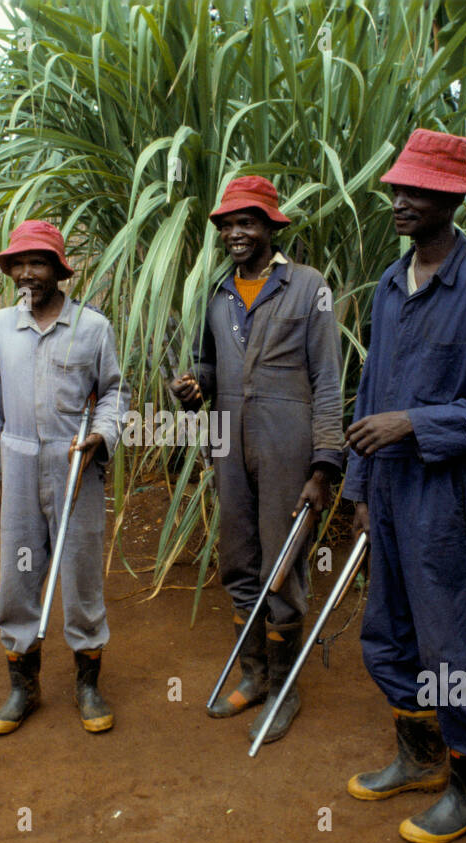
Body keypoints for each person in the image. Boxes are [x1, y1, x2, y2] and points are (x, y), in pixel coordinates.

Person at [342, 129, 466, 843]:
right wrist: (360, 485)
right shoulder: (392, 286)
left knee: (450, 643)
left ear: (454, 198)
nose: (399, 200)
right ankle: (421, 755)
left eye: (417, 190)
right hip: (387, 490)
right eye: (396, 188)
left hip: (445, 495)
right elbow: (368, 394)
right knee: (387, 633)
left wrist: (418, 425)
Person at [171, 175, 344, 744]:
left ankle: (286, 691)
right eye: (227, 224)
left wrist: (324, 464)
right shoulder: (218, 293)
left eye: (247, 222)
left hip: (286, 443)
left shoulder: (307, 286)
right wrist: (196, 385)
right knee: (240, 560)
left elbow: (326, 379)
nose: (235, 233)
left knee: (283, 562)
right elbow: (209, 366)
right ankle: (254, 676)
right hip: (228, 442)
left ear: (272, 226)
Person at [0, 220, 128, 735]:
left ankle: (87, 684)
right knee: (17, 577)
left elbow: (114, 393)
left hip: (75, 467)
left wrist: (102, 435)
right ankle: (23, 687)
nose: (27, 274)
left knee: (80, 573)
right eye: (19, 264)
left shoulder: (93, 328)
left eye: (38, 263)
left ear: (59, 270)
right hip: (15, 467)